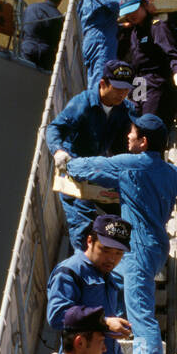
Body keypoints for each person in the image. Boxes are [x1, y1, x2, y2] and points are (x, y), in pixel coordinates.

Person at [66, 113, 177, 354]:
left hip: (136, 248)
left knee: (141, 311)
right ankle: (115, 335)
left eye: (132, 133)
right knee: (116, 282)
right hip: (155, 247)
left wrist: (67, 161)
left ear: (143, 142)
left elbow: (89, 168)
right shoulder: (171, 173)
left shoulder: (128, 165)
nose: (127, 136)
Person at [46, 214, 151, 354]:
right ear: (90, 241)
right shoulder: (70, 272)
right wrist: (102, 322)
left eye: (119, 253)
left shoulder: (107, 277)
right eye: (106, 250)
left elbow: (107, 338)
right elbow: (56, 315)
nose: (112, 259)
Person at [47, 60, 135, 249]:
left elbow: (128, 138)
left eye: (126, 89)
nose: (122, 94)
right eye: (118, 88)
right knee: (81, 222)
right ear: (103, 84)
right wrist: (58, 151)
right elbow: (54, 128)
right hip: (74, 168)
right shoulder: (83, 104)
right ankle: (82, 263)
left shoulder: (124, 110)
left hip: (99, 166)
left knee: (128, 205)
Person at [118, 0, 177, 128]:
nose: (131, 15)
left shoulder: (157, 26)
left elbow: (171, 52)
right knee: (134, 121)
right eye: (127, 13)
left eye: (134, 10)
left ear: (144, 5)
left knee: (148, 123)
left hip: (155, 82)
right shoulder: (134, 32)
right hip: (139, 82)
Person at [78, 0, 122, 90]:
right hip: (102, 40)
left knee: (94, 82)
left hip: (91, 40)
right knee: (102, 82)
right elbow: (122, 0)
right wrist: (143, 1)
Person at [20, 0, 63, 70]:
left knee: (23, 76)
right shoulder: (59, 17)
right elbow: (58, 41)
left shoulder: (30, 8)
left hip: (27, 48)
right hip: (46, 55)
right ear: (60, 2)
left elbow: (21, 29)